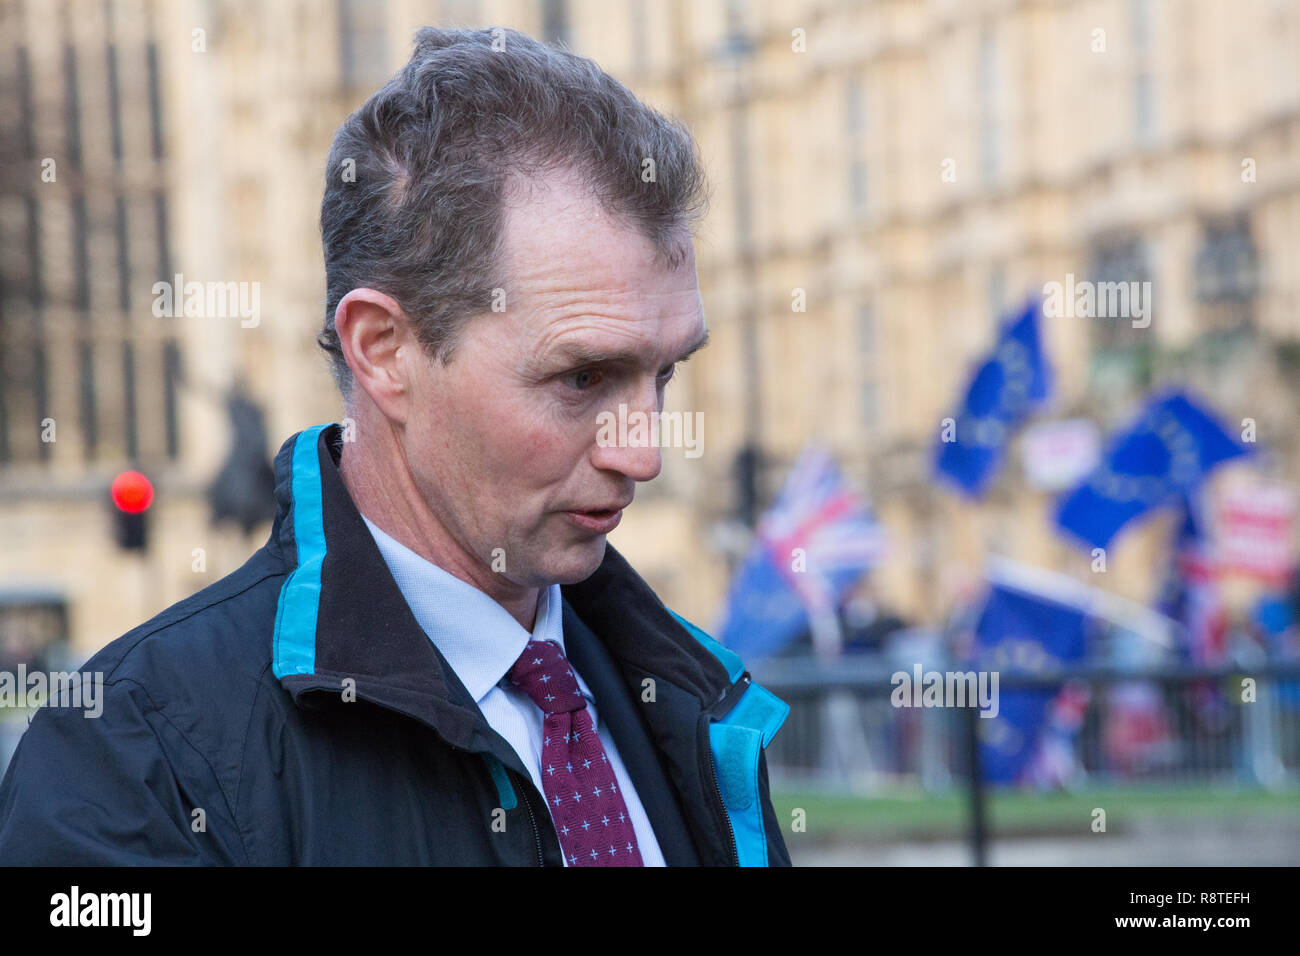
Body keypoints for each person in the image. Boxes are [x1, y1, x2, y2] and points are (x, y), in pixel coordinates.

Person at [0, 26, 791, 866]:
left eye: (664, 375)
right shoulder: (134, 762)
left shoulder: (692, 703)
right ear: (382, 349)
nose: (644, 455)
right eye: (582, 380)